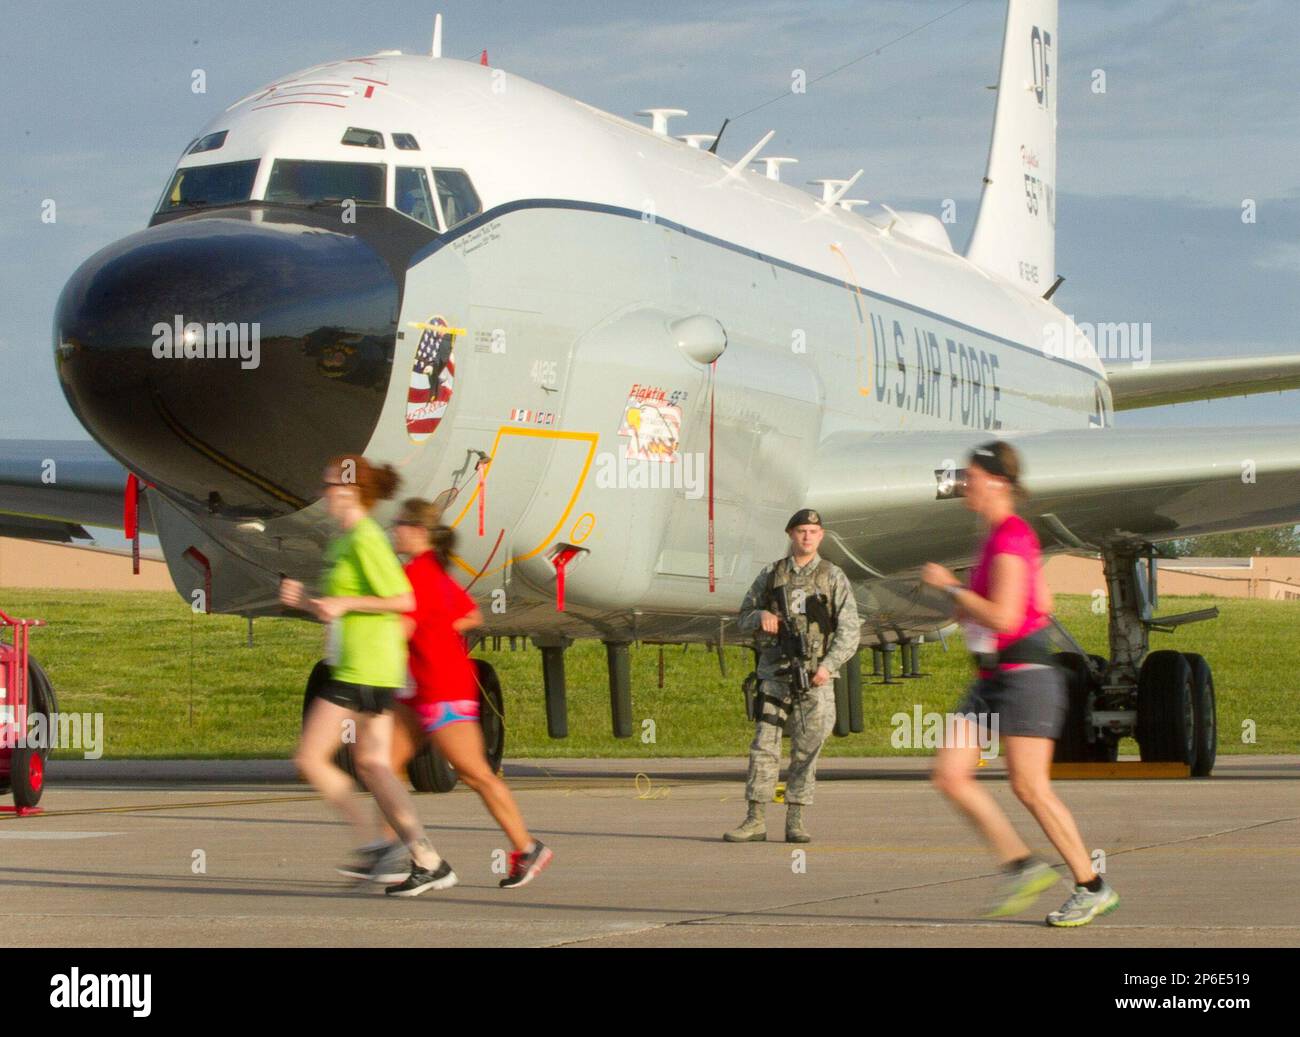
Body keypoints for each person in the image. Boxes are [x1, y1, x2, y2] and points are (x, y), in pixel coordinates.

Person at [922, 440, 1119, 927]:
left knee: (1029, 788)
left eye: (971, 476)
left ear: (998, 482)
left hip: (1025, 677)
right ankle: (1022, 866)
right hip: (992, 678)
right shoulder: (995, 539)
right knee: (950, 774)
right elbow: (1043, 601)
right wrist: (969, 602)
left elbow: (1009, 618)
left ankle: (1092, 886)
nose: (964, 483)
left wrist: (953, 588)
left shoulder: (1011, 535)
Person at [279, 456, 457, 895]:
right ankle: (428, 860)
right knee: (374, 765)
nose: (322, 492)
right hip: (359, 662)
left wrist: (344, 605)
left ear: (350, 491)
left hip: (367, 666)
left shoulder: (366, 539)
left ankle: (377, 846)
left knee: (310, 759)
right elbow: (338, 606)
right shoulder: (343, 540)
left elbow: (401, 599)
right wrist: (306, 601)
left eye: (328, 485)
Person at [387, 498, 552, 892]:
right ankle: (414, 858)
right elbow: (472, 615)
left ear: (418, 532)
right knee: (380, 768)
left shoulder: (419, 577)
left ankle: (527, 848)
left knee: (474, 773)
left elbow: (400, 630)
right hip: (419, 688)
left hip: (443, 689)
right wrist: (439, 629)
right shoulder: (431, 574)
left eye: (399, 524)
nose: (393, 529)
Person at [725, 509, 860, 844]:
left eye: (813, 531)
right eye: (801, 530)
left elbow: (850, 629)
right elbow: (741, 617)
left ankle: (795, 819)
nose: (807, 537)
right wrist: (761, 616)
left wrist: (828, 666)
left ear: (821, 536)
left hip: (815, 675)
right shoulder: (772, 575)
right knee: (764, 747)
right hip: (775, 674)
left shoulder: (832, 576)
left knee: (808, 748)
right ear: (790, 534)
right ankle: (755, 819)